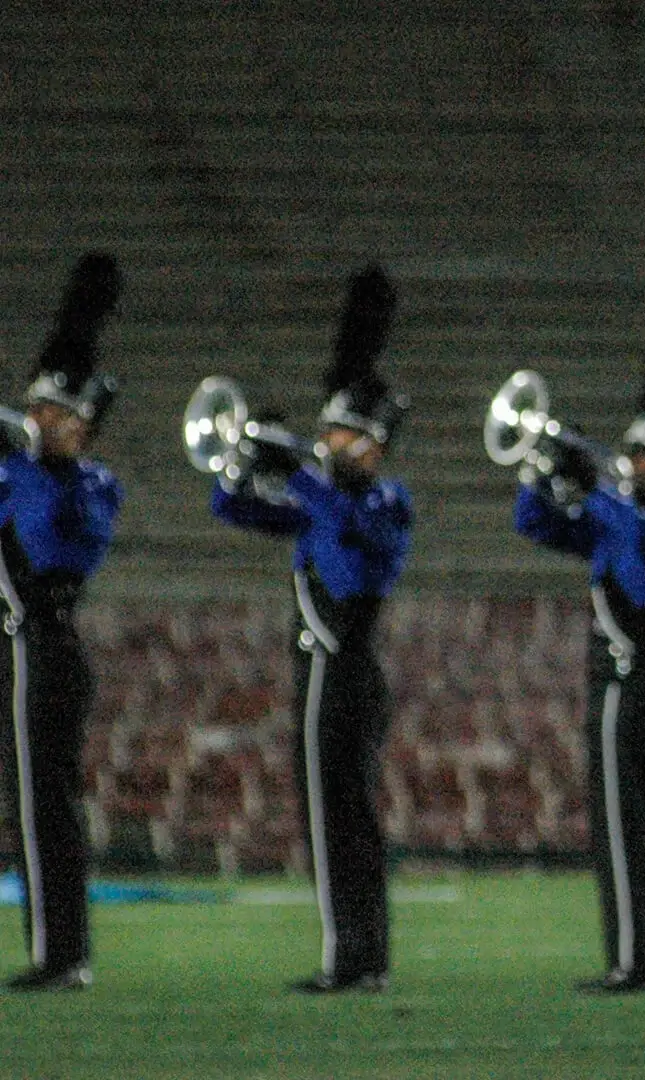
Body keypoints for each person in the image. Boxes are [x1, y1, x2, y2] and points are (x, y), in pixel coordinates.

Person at [210, 265, 413, 994]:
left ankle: (353, 959)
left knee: (344, 820)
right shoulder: (325, 501)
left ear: (371, 443)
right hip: (319, 671)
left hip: (348, 672)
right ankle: (358, 957)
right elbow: (232, 510)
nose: (326, 445)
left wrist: (296, 467)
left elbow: (348, 539)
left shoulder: (385, 504)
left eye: (340, 436)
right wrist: (242, 467)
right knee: (332, 818)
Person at [515, 301, 645, 995]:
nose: (631, 465)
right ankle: (643, 957)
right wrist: (544, 474)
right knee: (616, 826)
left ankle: (641, 961)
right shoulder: (620, 517)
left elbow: (637, 548)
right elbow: (535, 525)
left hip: (638, 682)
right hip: (610, 684)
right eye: (630, 454)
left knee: (633, 825)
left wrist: (592, 483)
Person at [0, 254, 124, 992]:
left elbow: (46, 542)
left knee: (47, 807)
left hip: (49, 650)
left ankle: (62, 954)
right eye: (37, 408)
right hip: (21, 653)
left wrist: (21, 463)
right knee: (30, 804)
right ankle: (56, 948)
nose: (42, 423)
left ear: (86, 426)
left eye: (61, 415)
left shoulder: (93, 488)